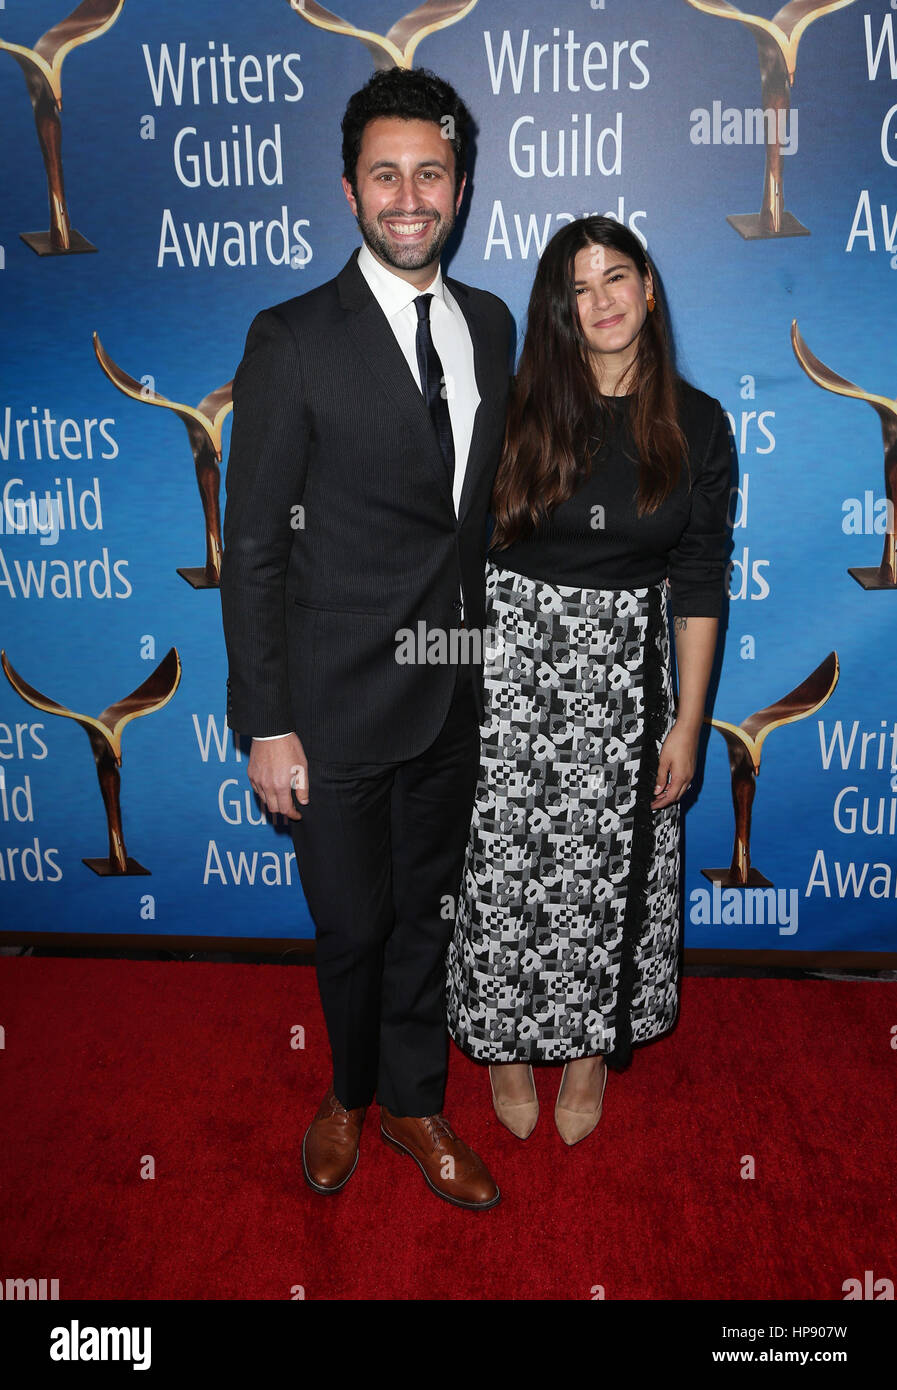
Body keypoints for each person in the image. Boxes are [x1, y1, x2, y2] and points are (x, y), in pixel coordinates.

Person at [220, 68, 514, 1209]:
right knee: (351, 925)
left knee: (426, 915)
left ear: (460, 187)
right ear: (350, 190)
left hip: (453, 693)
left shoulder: (488, 323)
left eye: (430, 173)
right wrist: (268, 721)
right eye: (385, 173)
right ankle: (347, 1093)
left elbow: (484, 517)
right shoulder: (290, 337)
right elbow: (254, 551)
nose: (409, 195)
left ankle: (414, 1099)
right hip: (333, 708)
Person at [446, 215, 732, 1145]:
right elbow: (455, 546)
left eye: (617, 278)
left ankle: (583, 1051)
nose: (601, 300)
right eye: (580, 286)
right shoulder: (516, 405)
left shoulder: (695, 423)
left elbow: (696, 581)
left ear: (648, 287)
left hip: (624, 681)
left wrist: (688, 723)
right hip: (508, 672)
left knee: (607, 874)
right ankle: (507, 1045)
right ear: (560, 308)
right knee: (505, 873)